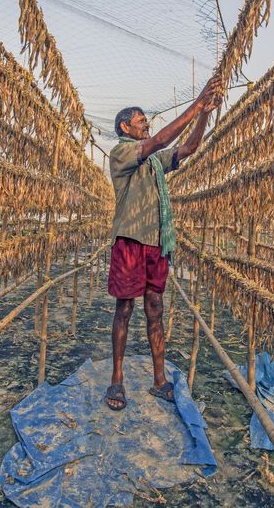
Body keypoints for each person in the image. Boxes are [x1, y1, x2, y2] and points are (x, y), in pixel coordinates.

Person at [105, 74, 222, 410]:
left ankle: (159, 380)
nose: (146, 125)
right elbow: (155, 142)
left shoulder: (155, 162)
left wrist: (203, 115)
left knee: (155, 309)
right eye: (141, 121)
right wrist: (197, 102)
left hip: (156, 242)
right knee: (124, 309)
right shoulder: (121, 154)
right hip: (131, 240)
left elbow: (188, 148)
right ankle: (117, 380)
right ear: (126, 127)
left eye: (146, 122)